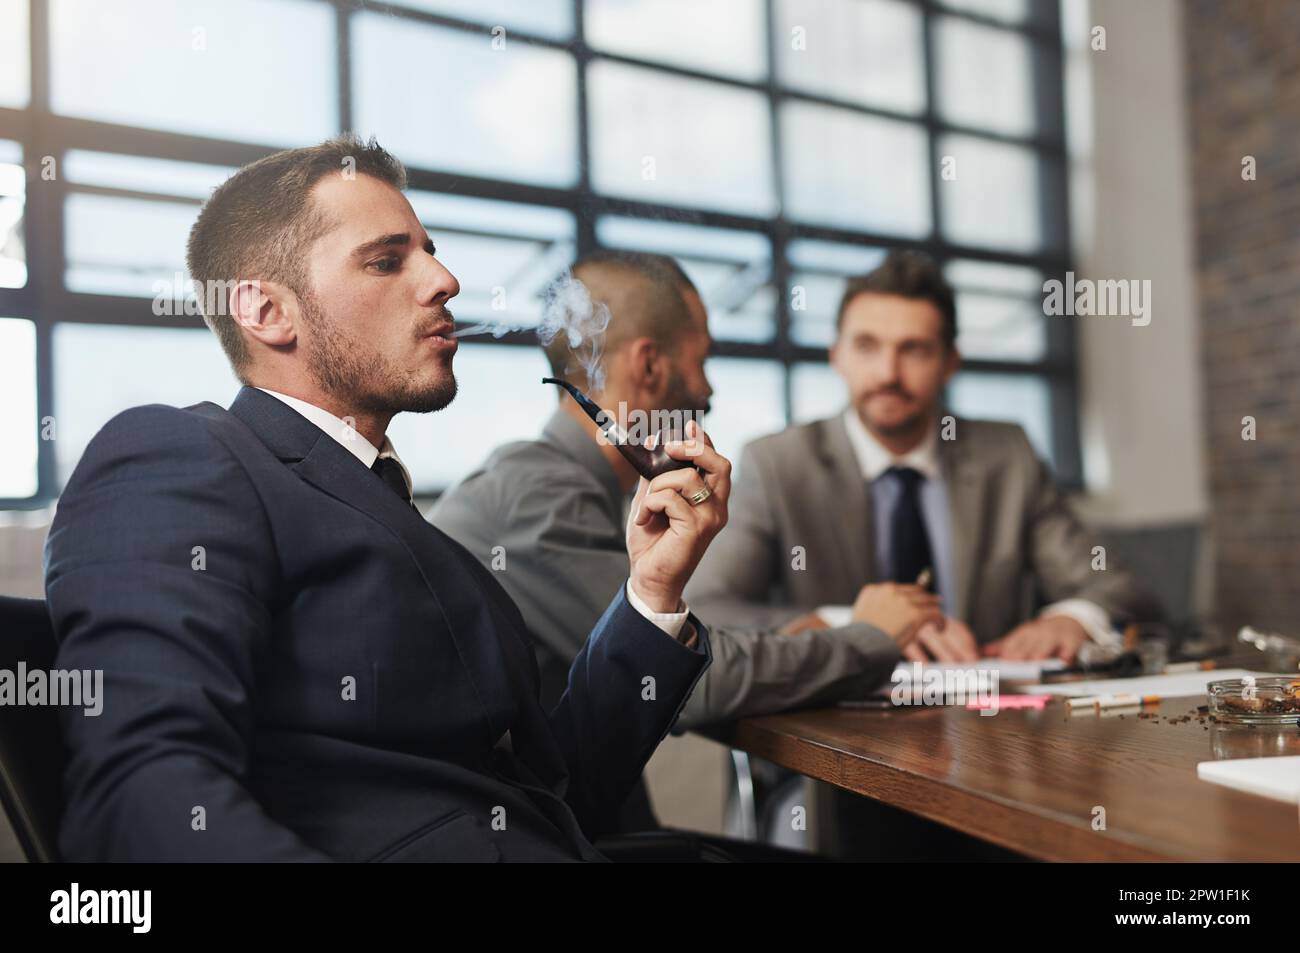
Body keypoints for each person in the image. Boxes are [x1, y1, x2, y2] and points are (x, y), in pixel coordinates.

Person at [44, 135, 732, 862]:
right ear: (268, 311)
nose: (445, 279)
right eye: (385, 259)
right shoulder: (178, 458)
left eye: (430, 250)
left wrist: (652, 596)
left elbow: (549, 804)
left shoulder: (407, 523)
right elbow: (144, 799)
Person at [431, 251, 939, 831]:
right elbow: (690, 681)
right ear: (650, 365)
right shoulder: (539, 496)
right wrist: (871, 639)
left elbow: (664, 647)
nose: (709, 388)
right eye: (702, 361)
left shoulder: (550, 485)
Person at [688, 249, 1155, 664]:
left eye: (914, 350)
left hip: (989, 731)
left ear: (950, 362)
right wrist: (858, 623)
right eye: (867, 347)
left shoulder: (1007, 457)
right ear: (837, 356)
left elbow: (1112, 585)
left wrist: (1072, 618)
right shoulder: (777, 464)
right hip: (829, 742)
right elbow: (710, 609)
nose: (888, 373)